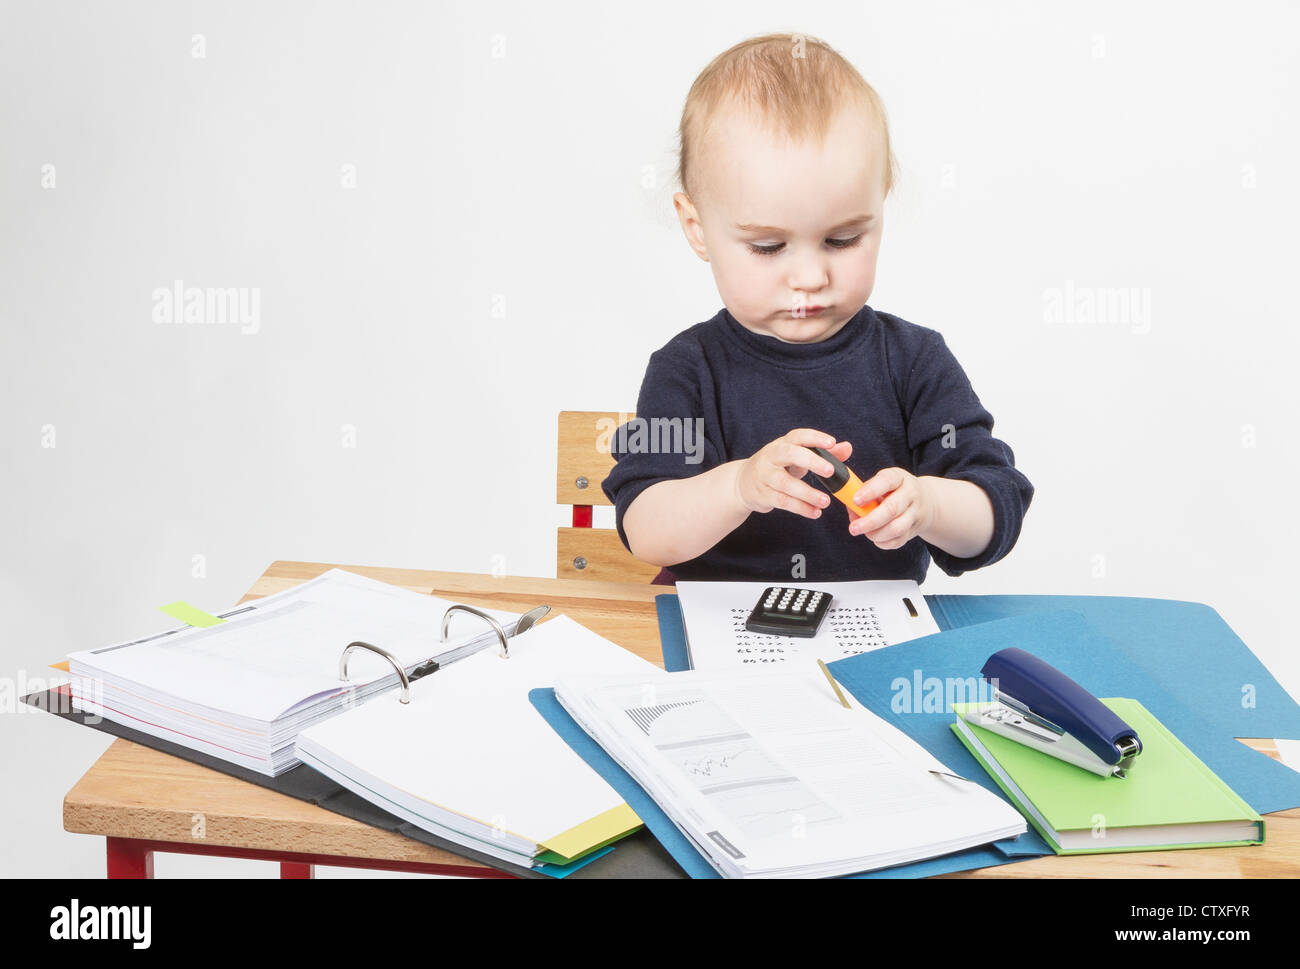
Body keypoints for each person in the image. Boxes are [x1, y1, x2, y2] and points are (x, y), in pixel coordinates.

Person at [603, 33, 1033, 585]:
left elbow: (996, 512)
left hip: (873, 645)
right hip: (718, 653)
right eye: (767, 247)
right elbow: (645, 526)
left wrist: (928, 504)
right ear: (697, 228)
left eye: (842, 239)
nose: (810, 278)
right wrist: (738, 487)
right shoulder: (686, 368)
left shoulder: (914, 360)